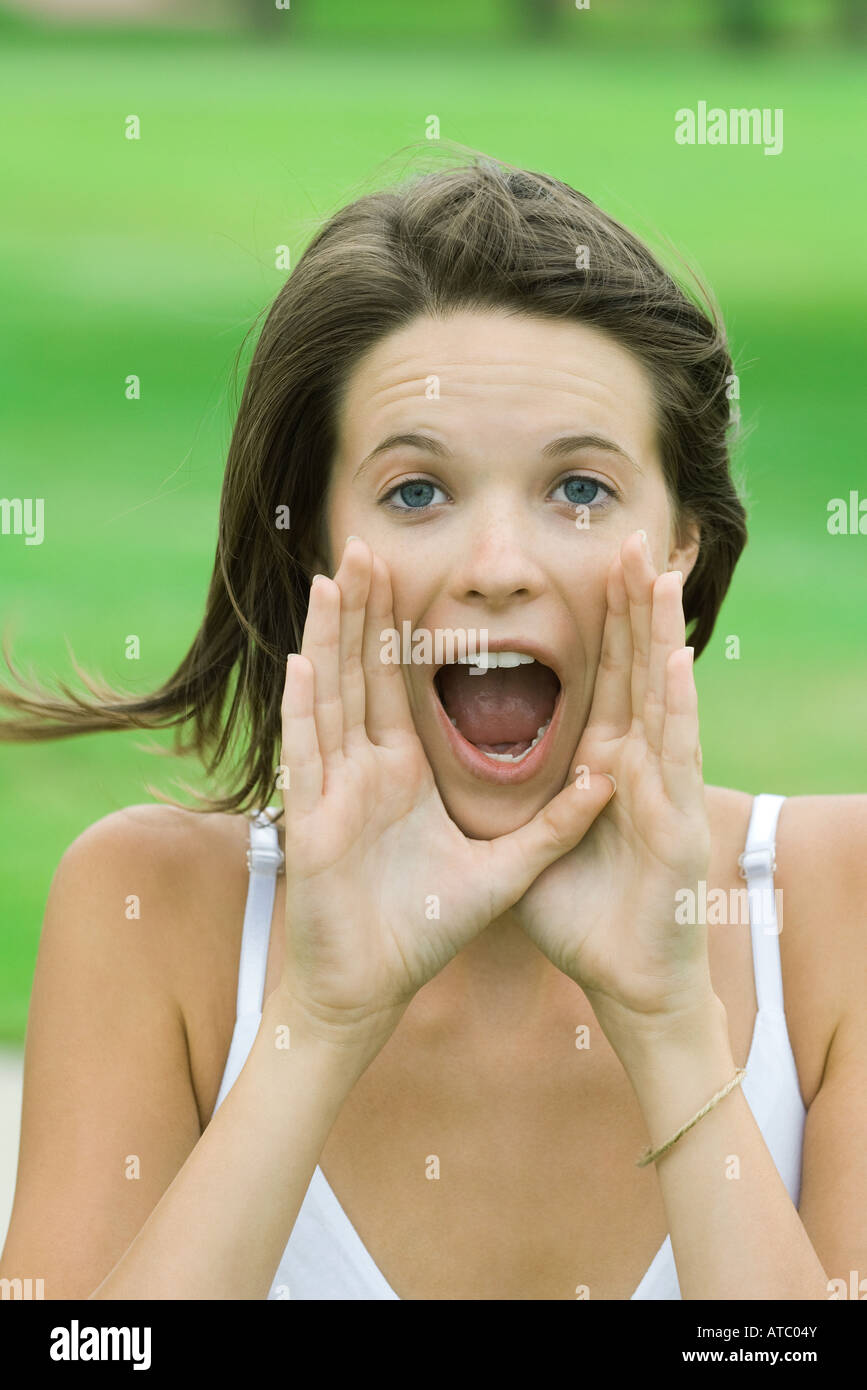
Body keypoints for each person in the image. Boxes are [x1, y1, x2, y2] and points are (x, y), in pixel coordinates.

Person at [0, 153, 863, 1301]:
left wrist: (669, 1025)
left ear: (680, 545)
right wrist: (320, 1018)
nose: (497, 568)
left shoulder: (833, 904)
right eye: (416, 492)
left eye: (581, 490)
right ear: (312, 544)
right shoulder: (151, 906)